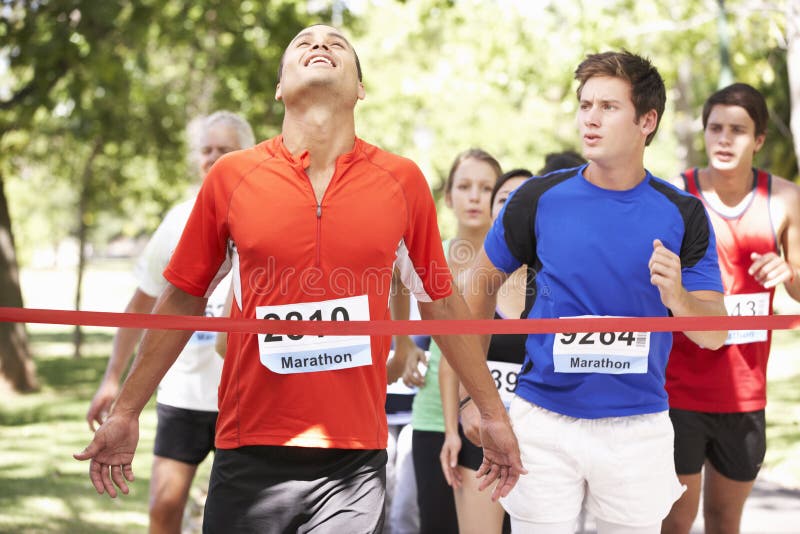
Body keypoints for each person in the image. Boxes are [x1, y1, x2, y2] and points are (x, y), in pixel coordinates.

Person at [74, 24, 524, 534]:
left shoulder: (402, 180)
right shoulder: (232, 176)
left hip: (353, 463)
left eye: (337, 45)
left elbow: (440, 303)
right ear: (278, 87)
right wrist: (128, 409)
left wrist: (491, 412)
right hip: (249, 448)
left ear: (360, 89)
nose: (319, 45)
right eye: (302, 44)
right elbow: (182, 297)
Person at [461, 51, 728, 533]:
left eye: (608, 106)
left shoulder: (682, 212)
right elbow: (475, 292)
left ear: (647, 120)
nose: (590, 118)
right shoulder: (537, 199)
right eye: (585, 105)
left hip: (638, 427)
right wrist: (478, 401)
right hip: (543, 421)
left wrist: (679, 297)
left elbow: (713, 334)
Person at [84, 111, 255, 534]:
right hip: (183, 396)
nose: (213, 157)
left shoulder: (266, 214)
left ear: (246, 155)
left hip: (247, 400)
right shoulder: (179, 218)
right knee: (163, 508)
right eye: (206, 149)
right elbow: (140, 304)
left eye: (225, 149)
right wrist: (112, 379)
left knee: (243, 520)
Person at [661, 83, 800, 534]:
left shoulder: (784, 200)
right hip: (677, 388)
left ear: (759, 139)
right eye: (715, 128)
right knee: (676, 521)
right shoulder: (674, 195)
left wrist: (788, 272)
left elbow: (799, 291)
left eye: (737, 130)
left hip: (744, 392)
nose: (724, 139)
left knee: (725, 522)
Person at [408, 148, 502, 534]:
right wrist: (406, 349)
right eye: (464, 186)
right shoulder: (430, 259)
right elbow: (407, 324)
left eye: (486, 188)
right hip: (433, 421)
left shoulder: (515, 265)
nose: (475, 196)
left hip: (497, 422)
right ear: (448, 197)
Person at [438, 167, 530, 534]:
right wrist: (456, 423)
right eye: (503, 198)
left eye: (521, 199)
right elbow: (452, 360)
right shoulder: (474, 280)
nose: (511, 206)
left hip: (543, 434)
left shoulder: (558, 280)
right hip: (483, 432)